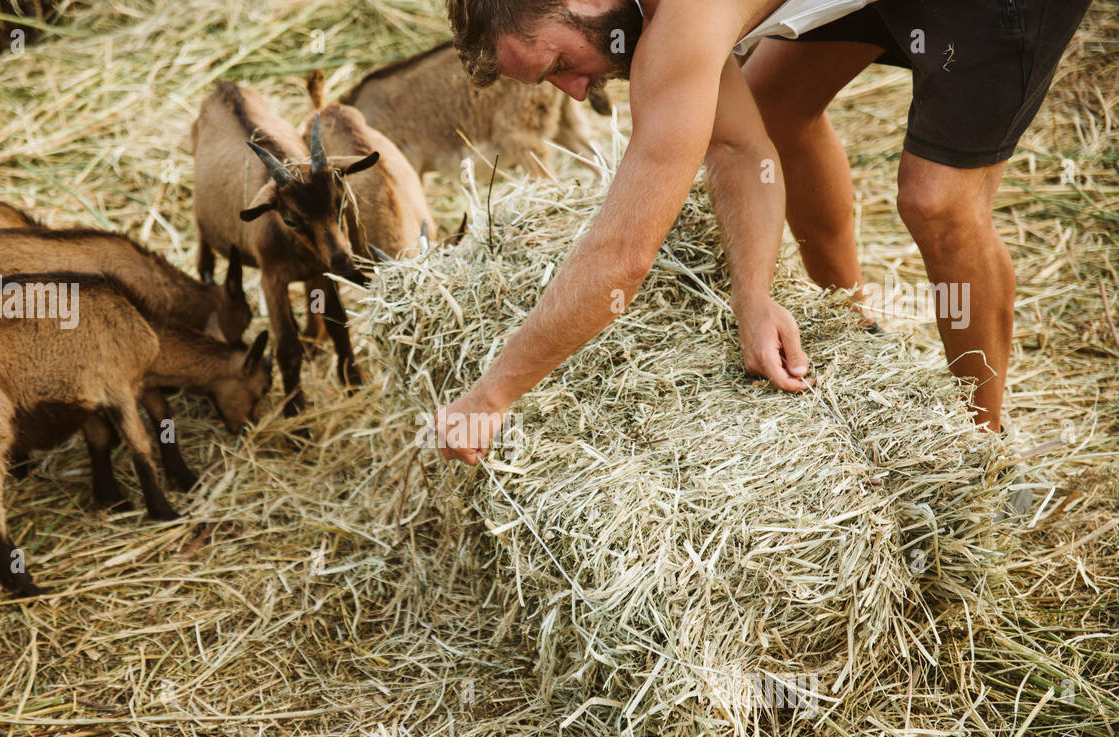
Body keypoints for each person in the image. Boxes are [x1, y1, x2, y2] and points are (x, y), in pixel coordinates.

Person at [434, 0, 1093, 464]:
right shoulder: (655, 20)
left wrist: (491, 396)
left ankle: (983, 449)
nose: (575, 92)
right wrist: (753, 294)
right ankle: (855, 324)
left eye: (556, 65)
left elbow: (622, 257)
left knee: (937, 202)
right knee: (774, 105)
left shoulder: (678, 30)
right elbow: (739, 150)